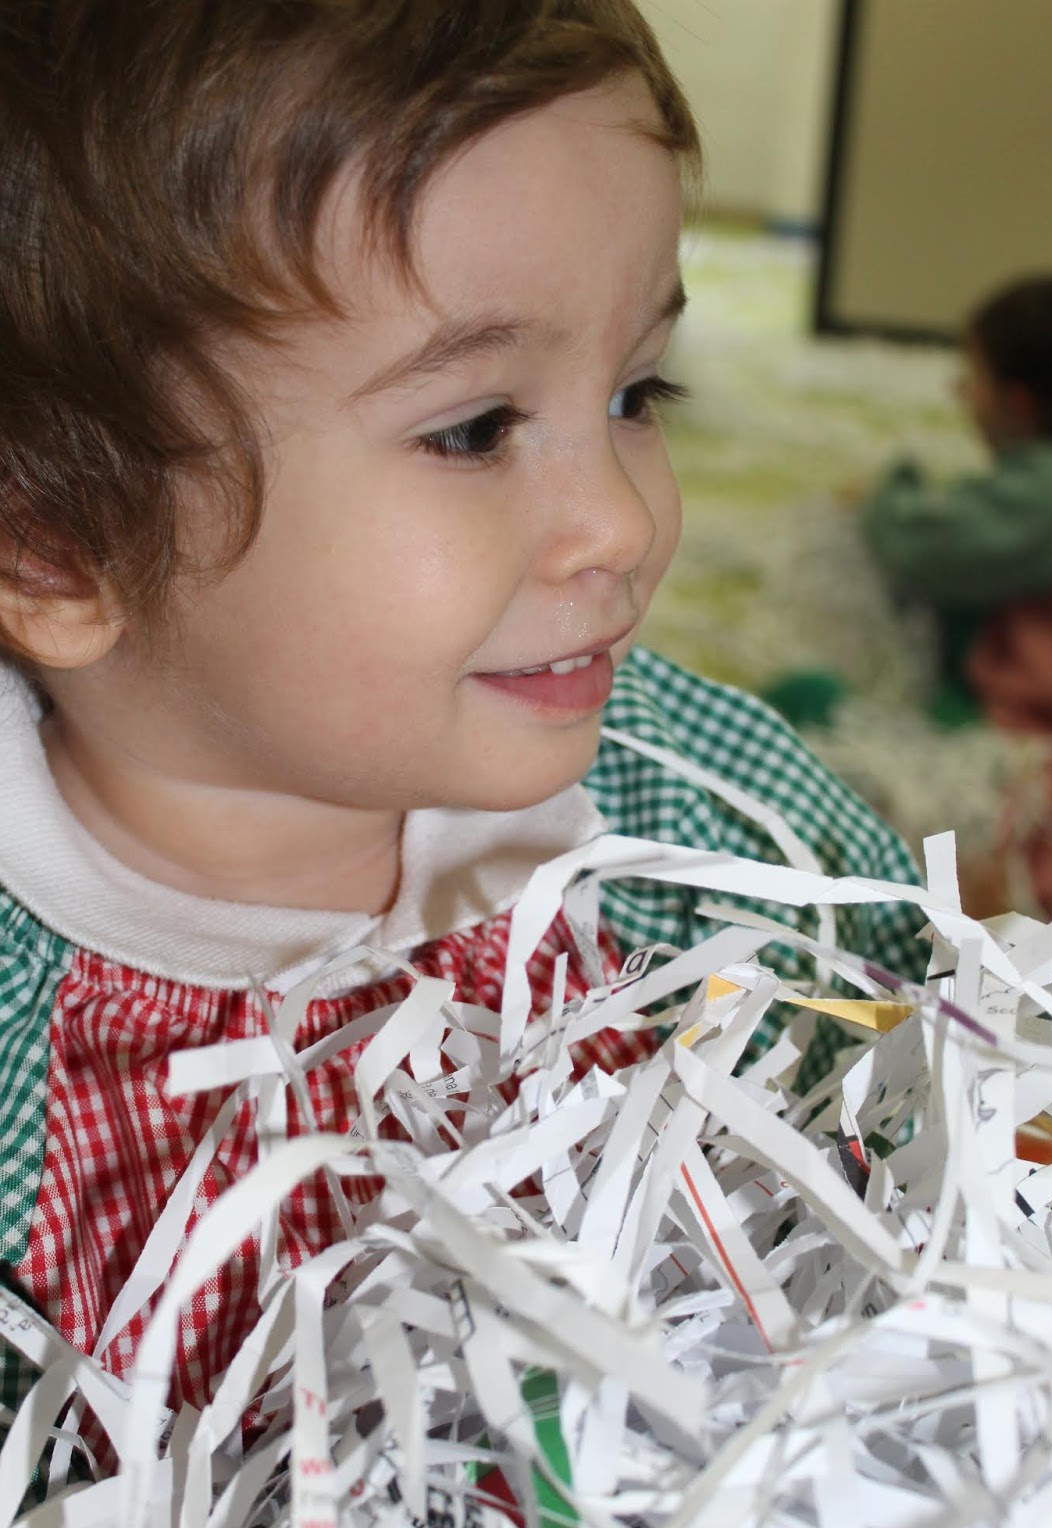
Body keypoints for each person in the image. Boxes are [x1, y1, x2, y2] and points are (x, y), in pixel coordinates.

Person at [0, 0, 924, 1451]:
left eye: (635, 392)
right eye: (476, 428)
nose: (623, 522)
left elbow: (932, 1088)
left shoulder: (703, 823)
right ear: (57, 552)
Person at [861, 275, 1052, 910]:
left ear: (1017, 401)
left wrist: (890, 490)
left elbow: (925, 545)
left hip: (1031, 730)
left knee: (817, 712)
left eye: (970, 379)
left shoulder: (1047, 494)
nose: (960, 395)